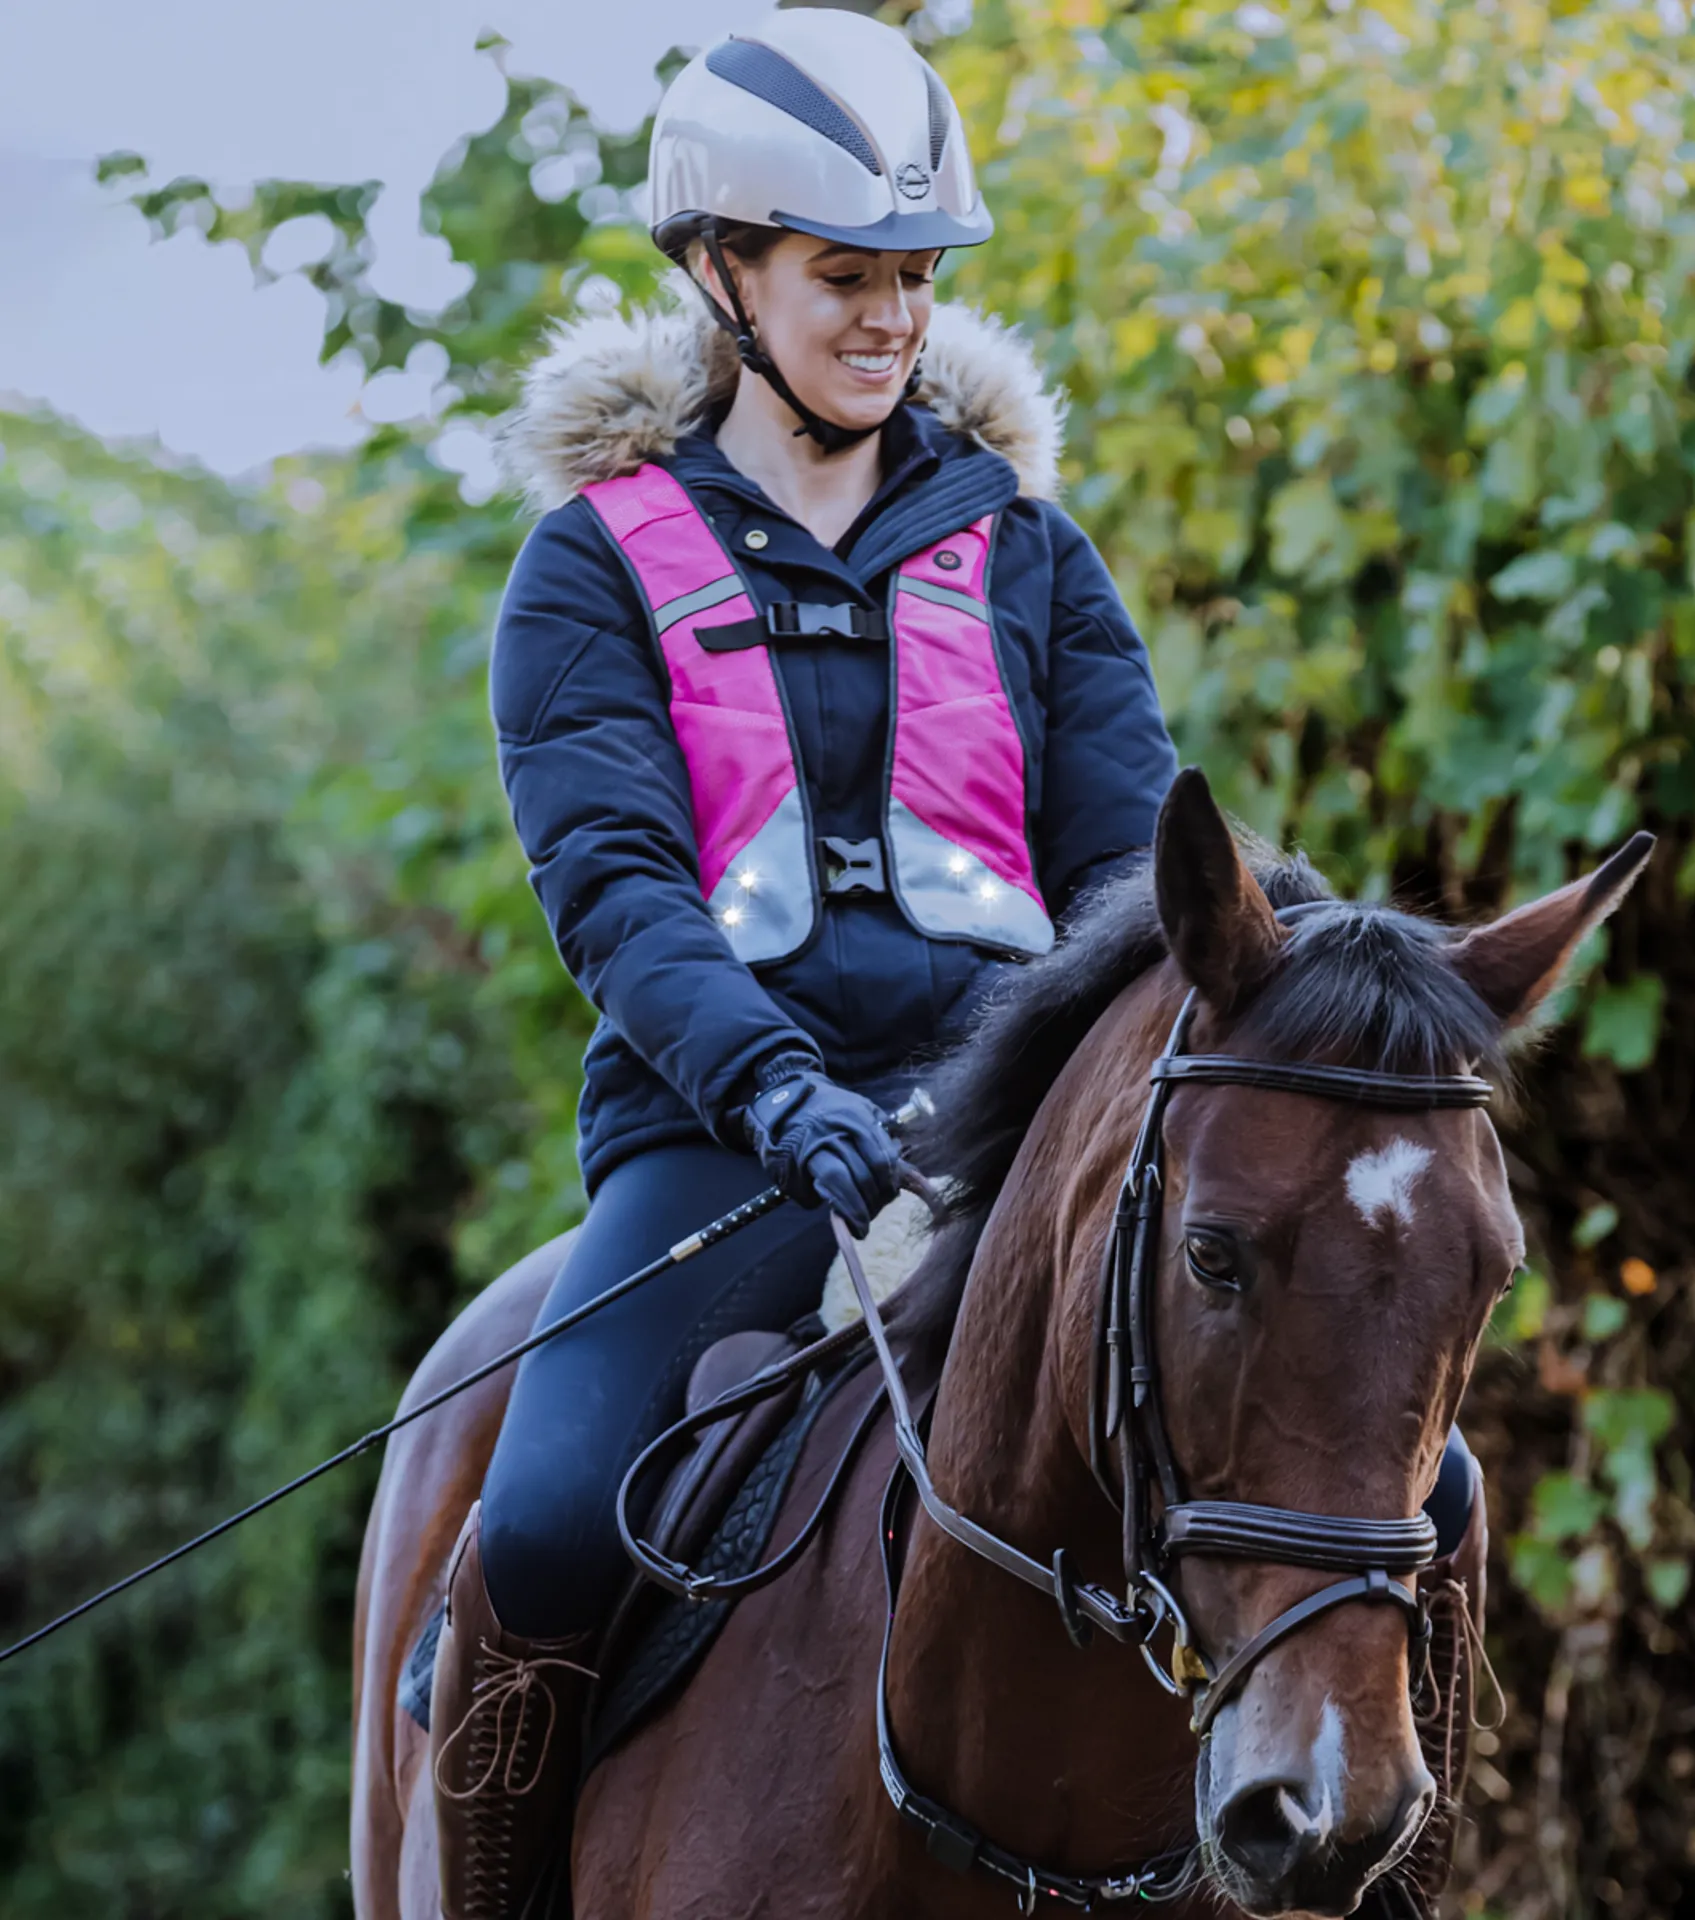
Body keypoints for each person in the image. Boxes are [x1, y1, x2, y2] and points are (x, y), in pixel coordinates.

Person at [427, 12, 1178, 1915]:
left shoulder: (1030, 558)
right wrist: (779, 1093)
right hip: (724, 1145)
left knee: (1403, 1490)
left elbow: (1136, 868)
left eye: (915, 282)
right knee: (533, 1531)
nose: (890, 320)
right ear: (719, 273)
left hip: (1010, 1149)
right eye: (844, 278)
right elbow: (614, 886)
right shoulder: (590, 564)